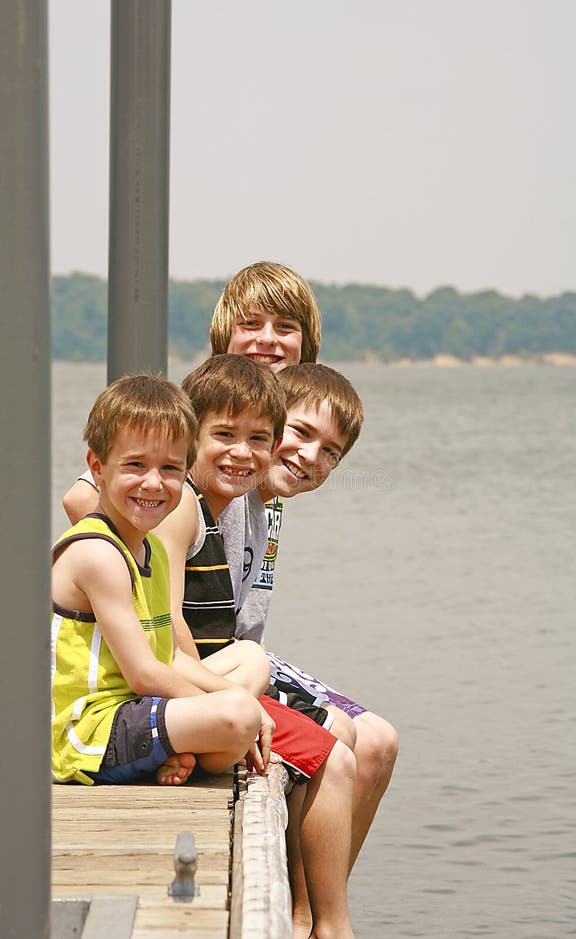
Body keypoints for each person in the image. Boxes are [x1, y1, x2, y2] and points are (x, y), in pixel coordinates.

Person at [59, 361, 358, 937]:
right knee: (332, 750)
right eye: (223, 436)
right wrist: (237, 707)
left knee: (254, 664)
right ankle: (328, 924)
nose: (242, 453)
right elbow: (160, 657)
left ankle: (310, 913)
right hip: (96, 724)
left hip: (146, 696)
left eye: (257, 440)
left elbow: (176, 649)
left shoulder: (198, 522)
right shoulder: (170, 519)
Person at [51, 374, 270, 788]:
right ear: (97, 467)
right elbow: (144, 674)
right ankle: (183, 748)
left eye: (170, 468)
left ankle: (179, 750)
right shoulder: (98, 552)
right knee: (237, 717)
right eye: (135, 465)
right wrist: (233, 706)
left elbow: (168, 656)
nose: (153, 483)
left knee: (252, 661)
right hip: (85, 732)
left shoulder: (149, 548)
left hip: (135, 709)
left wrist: (231, 697)